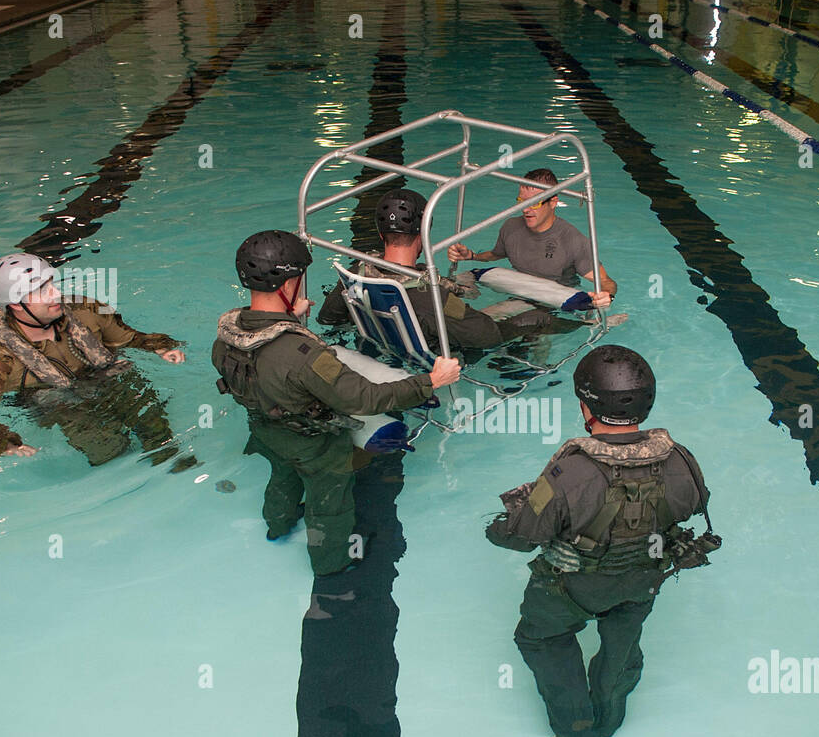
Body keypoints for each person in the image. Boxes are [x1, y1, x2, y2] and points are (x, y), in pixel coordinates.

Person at [486, 345, 716, 737]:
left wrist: (495, 526)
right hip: (644, 579)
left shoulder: (567, 473)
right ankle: (610, 718)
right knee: (622, 643)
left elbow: (521, 535)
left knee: (543, 638)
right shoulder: (682, 459)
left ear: (585, 405)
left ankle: (575, 729)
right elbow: (693, 506)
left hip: (572, 585)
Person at [212, 229, 461, 574]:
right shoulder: (303, 356)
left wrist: (290, 320)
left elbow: (265, 364)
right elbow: (366, 398)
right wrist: (430, 381)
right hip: (314, 446)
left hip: (266, 430)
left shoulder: (228, 336)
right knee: (329, 504)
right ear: (288, 284)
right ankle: (331, 564)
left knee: (282, 476)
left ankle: (278, 526)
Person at [0, 251, 192, 468]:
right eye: (41, 290)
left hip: (108, 380)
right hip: (64, 404)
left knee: (157, 432)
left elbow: (127, 336)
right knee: (110, 456)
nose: (55, 293)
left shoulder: (85, 310)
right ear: (17, 305)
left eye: (51, 284)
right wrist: (4, 442)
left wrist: (159, 347)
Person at [318, 187, 605, 348]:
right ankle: (593, 326)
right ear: (424, 233)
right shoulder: (434, 296)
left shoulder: (355, 275)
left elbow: (327, 319)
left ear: (381, 235)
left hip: (384, 341)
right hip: (433, 353)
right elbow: (485, 336)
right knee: (536, 318)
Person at [447, 167, 617, 326]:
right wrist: (471, 256)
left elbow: (605, 281)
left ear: (553, 202)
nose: (526, 209)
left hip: (554, 300)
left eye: (534, 203)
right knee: (459, 283)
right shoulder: (511, 227)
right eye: (521, 202)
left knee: (483, 321)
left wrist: (606, 296)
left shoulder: (572, 239)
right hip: (519, 290)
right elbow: (496, 253)